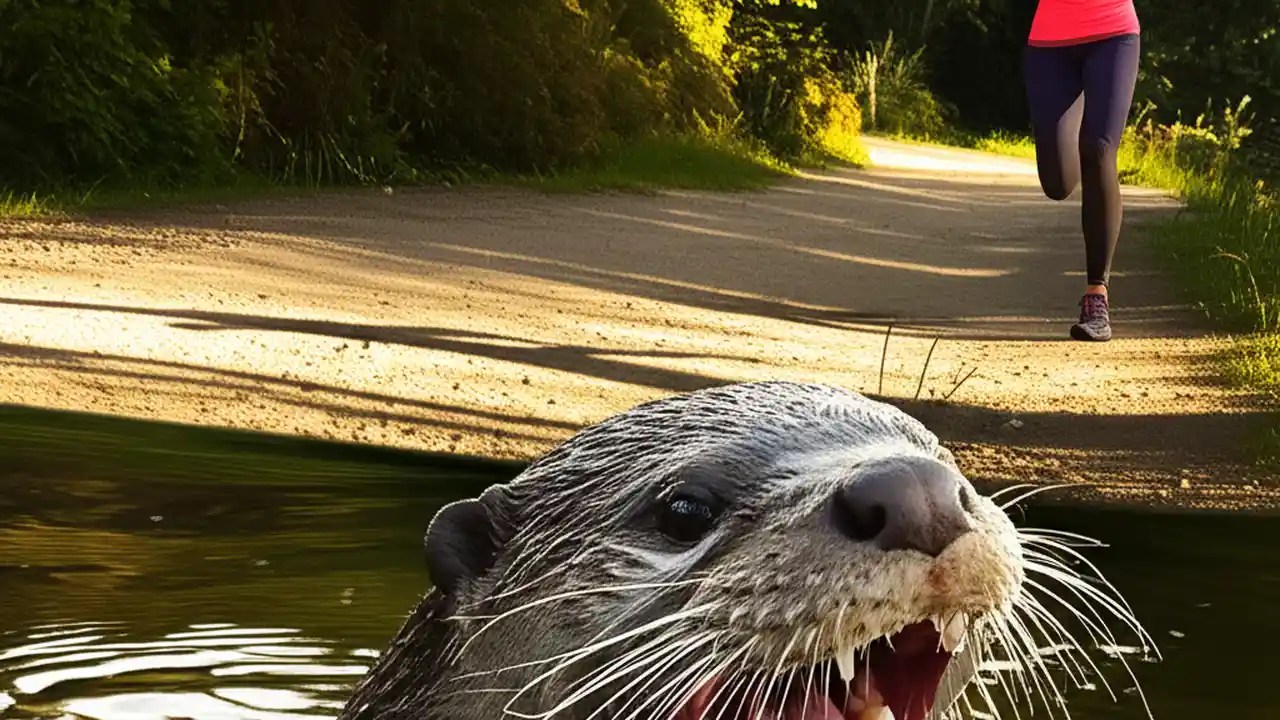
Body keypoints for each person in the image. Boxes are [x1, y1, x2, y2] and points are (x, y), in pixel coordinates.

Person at [1023, 0, 1141, 342]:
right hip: (1050, 42)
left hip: (1114, 32)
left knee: (1099, 149)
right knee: (1057, 183)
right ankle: (1078, 121)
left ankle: (1096, 295)